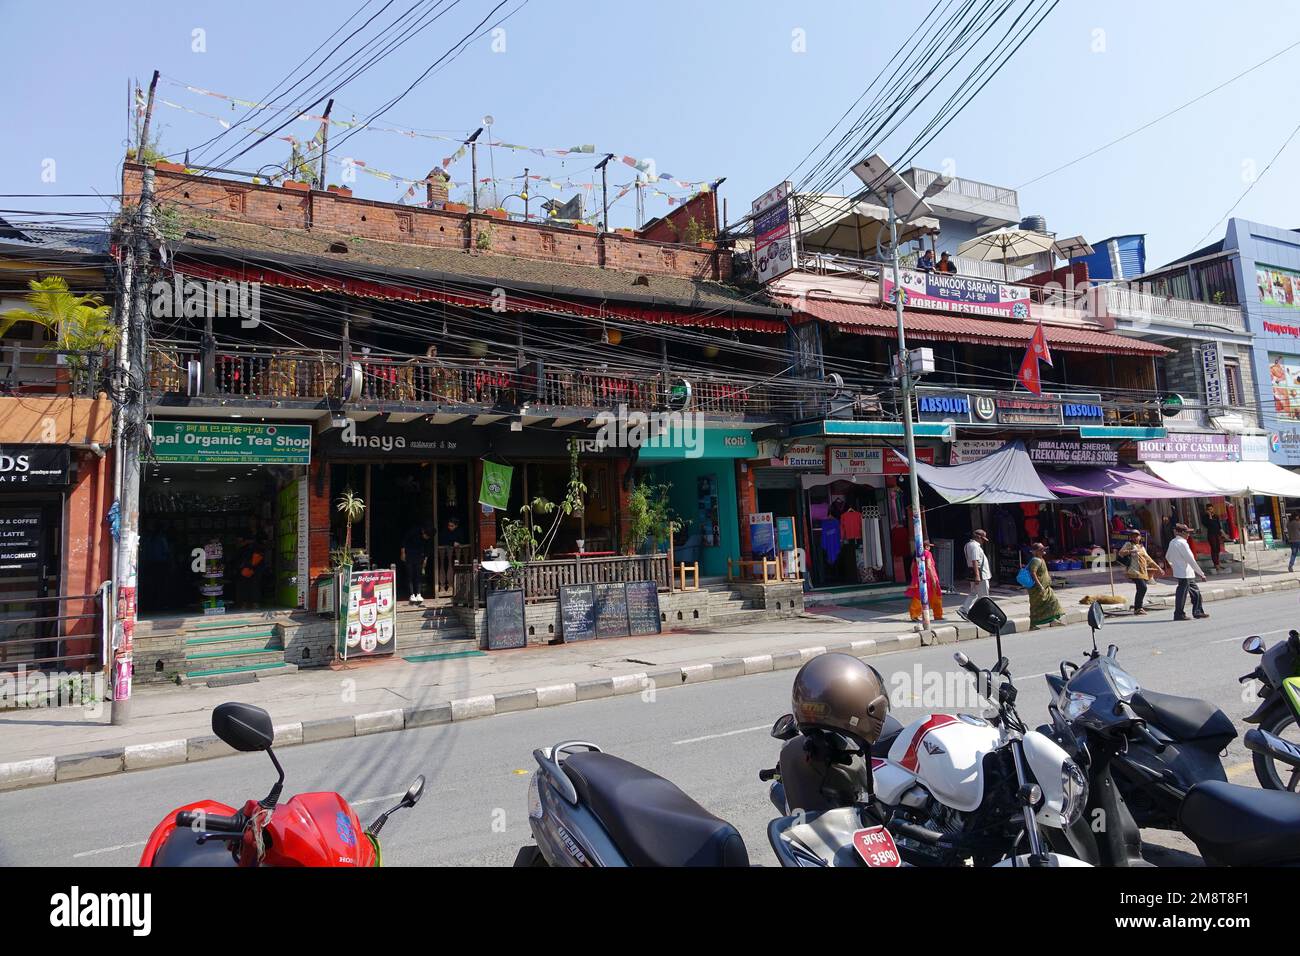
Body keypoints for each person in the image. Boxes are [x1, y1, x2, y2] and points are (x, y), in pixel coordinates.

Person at [1167, 523, 1208, 620]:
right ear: (1181, 533)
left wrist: (1174, 566)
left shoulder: (1172, 542)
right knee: (1182, 594)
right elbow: (1191, 559)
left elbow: (1168, 557)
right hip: (1185, 573)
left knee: (1195, 592)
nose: (1188, 535)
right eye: (1187, 533)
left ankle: (1197, 611)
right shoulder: (1182, 543)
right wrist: (1201, 573)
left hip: (1183, 572)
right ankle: (1179, 614)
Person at [1118, 528, 1161, 616]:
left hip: (1142, 571)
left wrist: (1158, 568)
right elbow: (1121, 553)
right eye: (1133, 536)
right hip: (1134, 571)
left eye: (1136, 536)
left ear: (1140, 537)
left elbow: (1148, 559)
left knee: (1140, 588)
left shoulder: (1142, 547)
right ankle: (1138, 608)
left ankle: (1138, 608)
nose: (1135, 538)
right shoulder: (1129, 544)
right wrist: (1130, 551)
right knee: (1143, 587)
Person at [1026, 542, 1063, 629]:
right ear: (1035, 552)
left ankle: (1053, 620)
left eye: (1043, 549)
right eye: (1041, 549)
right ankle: (1032, 625)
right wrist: (1040, 586)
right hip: (1038, 588)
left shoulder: (1041, 559)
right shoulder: (1035, 560)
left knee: (1052, 602)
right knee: (1036, 606)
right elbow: (1033, 573)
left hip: (1045, 587)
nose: (1043, 551)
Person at [906, 540, 943, 623]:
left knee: (918, 596)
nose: (930, 548)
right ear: (926, 547)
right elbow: (929, 566)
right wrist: (933, 579)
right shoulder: (927, 553)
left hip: (919, 577)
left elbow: (911, 568)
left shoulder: (916, 554)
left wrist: (915, 577)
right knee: (936, 596)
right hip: (929, 577)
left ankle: (914, 615)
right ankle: (938, 615)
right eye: (929, 546)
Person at [960, 529, 991, 618]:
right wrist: (977, 576)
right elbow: (975, 561)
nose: (983, 541)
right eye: (982, 539)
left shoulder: (968, 545)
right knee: (984, 596)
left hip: (974, 573)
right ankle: (985, 614)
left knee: (974, 593)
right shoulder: (974, 546)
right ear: (978, 537)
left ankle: (964, 610)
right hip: (981, 575)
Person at [400, 523, 432, 605]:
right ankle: (411, 594)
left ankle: (418, 594)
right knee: (410, 574)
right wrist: (403, 553)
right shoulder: (414, 531)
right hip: (409, 555)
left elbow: (427, 548)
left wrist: (425, 559)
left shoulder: (427, 538)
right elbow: (404, 540)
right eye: (426, 536)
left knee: (418, 575)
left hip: (419, 556)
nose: (426, 538)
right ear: (424, 532)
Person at [233, 534, 268, 610]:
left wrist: (241, 567)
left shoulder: (244, 548)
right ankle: (254, 604)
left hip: (246, 570)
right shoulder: (259, 547)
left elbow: (238, 560)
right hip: (255, 569)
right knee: (255, 586)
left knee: (244, 587)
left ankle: (244, 604)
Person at [1202, 506, 1225, 571]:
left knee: (1217, 549)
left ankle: (1217, 563)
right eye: (1209, 509)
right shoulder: (1205, 517)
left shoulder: (1216, 516)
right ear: (1206, 510)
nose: (1210, 510)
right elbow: (1209, 524)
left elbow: (1219, 526)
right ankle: (1216, 564)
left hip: (1217, 534)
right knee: (1214, 548)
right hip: (1211, 534)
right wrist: (1209, 516)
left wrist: (1224, 534)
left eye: (1211, 509)